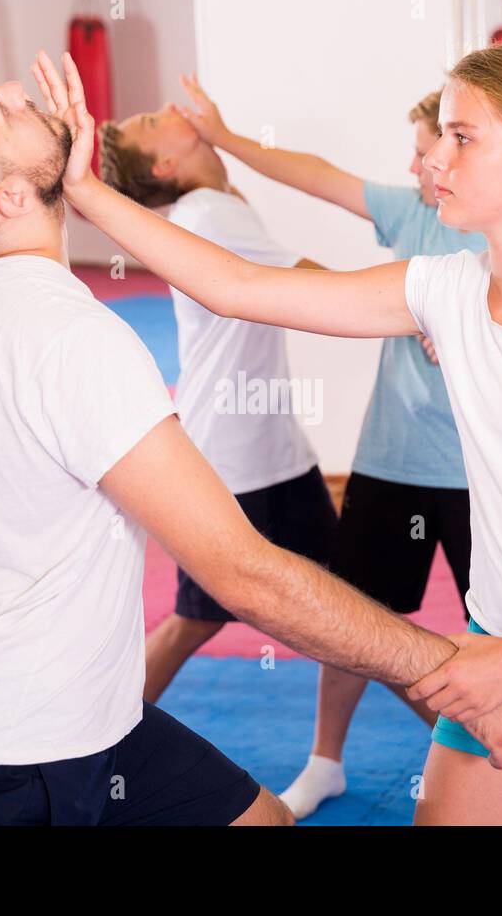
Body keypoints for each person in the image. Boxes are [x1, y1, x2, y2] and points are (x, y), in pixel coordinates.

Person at [37, 38, 502, 825]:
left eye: (461, 137)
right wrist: (88, 192)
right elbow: (238, 286)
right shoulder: (440, 288)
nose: (433, 158)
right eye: (438, 133)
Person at [0, 72, 502, 826]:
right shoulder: (69, 337)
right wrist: (451, 668)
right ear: (12, 198)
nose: (23, 89)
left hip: (55, 725)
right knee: (222, 602)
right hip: (20, 758)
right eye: (2, 105)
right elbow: (247, 576)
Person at [174, 80, 484, 818]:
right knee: (357, 614)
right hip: (389, 461)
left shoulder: (496, 236)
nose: (416, 166)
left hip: (480, 472)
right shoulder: (410, 211)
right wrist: (227, 137)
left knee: (496, 626)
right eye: (417, 149)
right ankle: (325, 759)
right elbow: (312, 175)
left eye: (430, 150)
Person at [96, 105, 339, 706]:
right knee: (198, 618)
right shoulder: (207, 214)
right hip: (232, 461)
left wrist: (219, 131)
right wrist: (419, 309)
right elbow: (314, 287)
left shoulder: (218, 204)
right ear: (166, 163)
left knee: (349, 603)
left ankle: (338, 757)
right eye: (151, 120)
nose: (163, 109)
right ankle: (96, 736)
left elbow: (227, 180)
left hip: (270, 450)